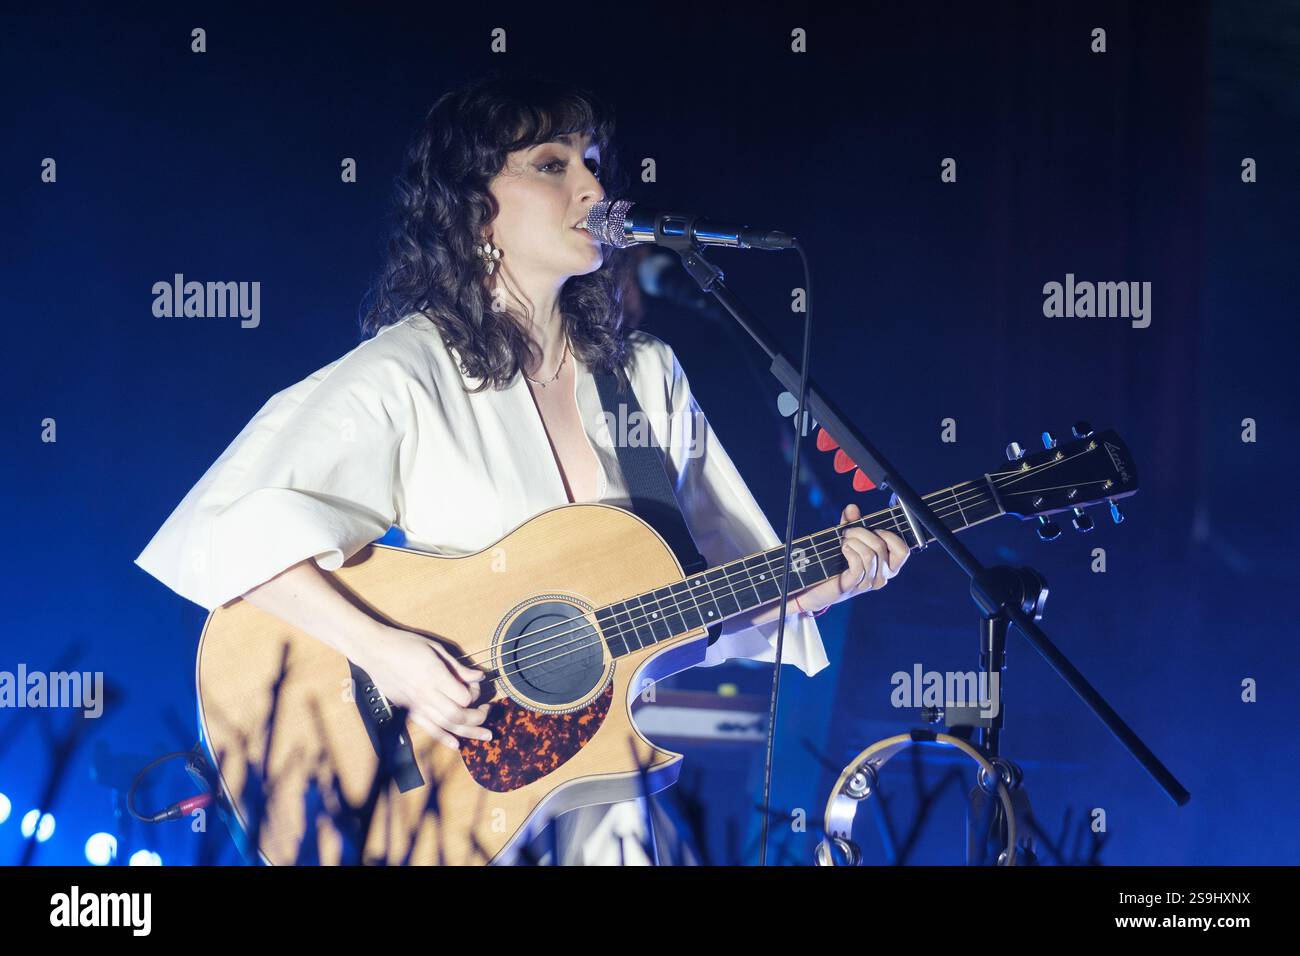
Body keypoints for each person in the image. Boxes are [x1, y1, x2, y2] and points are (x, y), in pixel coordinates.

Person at [134, 73, 910, 865]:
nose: (594, 187)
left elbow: (711, 588)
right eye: (553, 163)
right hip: (450, 797)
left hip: (599, 796)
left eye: (596, 162)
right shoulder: (411, 368)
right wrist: (382, 650)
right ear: (473, 207)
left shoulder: (644, 374)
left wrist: (823, 579)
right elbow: (226, 530)